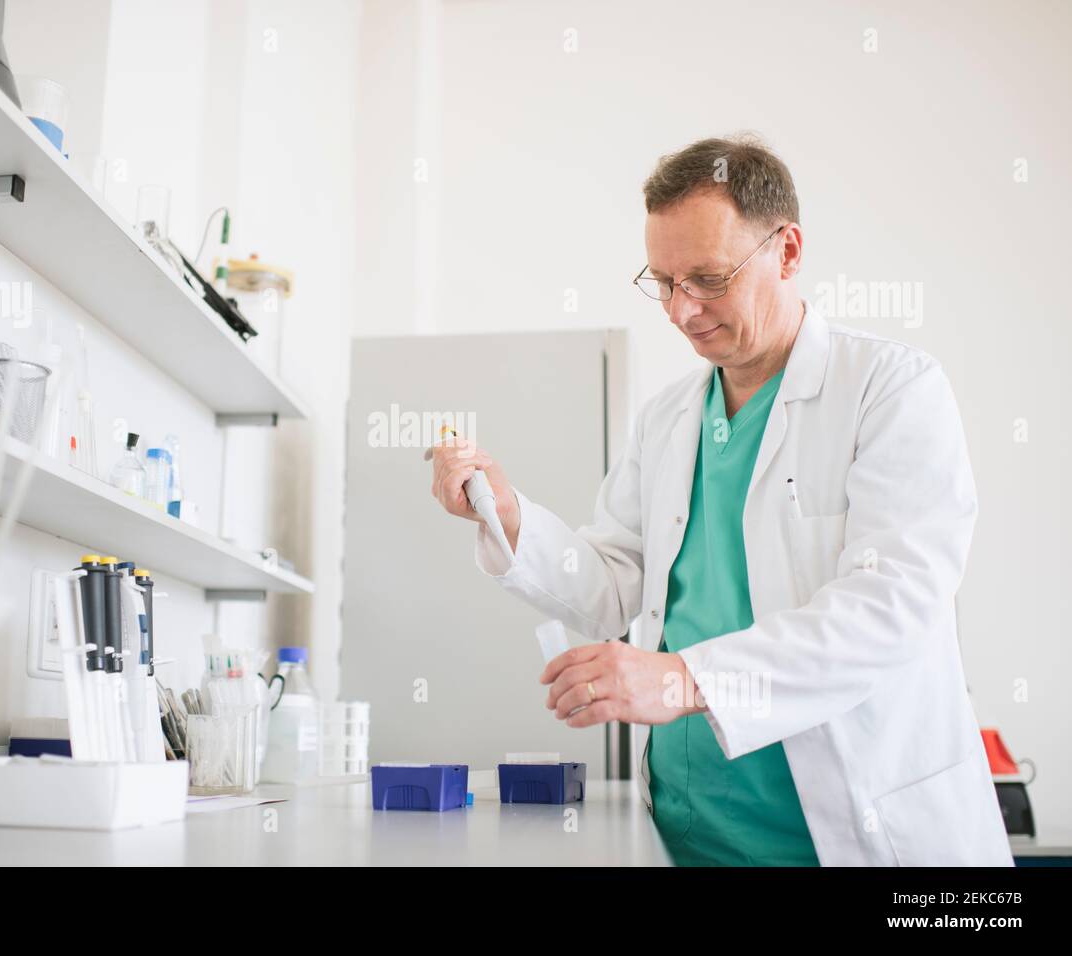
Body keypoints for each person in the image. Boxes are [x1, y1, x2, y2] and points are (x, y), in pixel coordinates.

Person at [428, 135, 1011, 866]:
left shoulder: (892, 391)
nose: (680, 309)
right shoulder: (668, 419)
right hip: (687, 835)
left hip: (850, 838)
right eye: (663, 281)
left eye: (707, 277)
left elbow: (889, 611)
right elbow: (617, 585)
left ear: (788, 251)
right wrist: (509, 516)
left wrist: (684, 679)